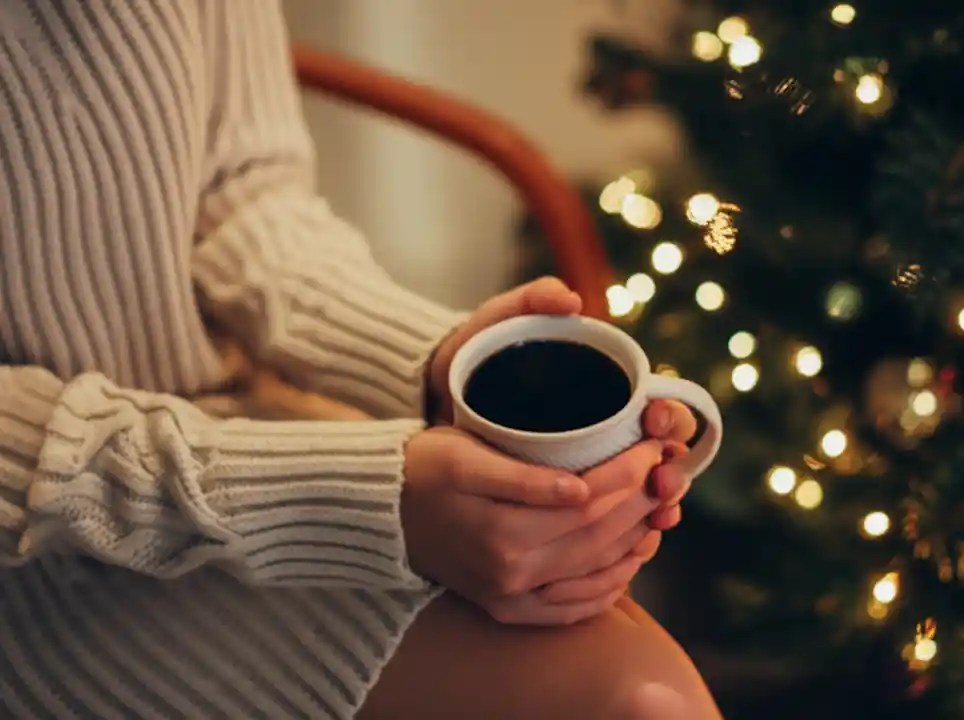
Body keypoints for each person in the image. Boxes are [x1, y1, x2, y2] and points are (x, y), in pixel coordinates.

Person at [0, 1, 723, 718]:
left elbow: (242, 194)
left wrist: (434, 363)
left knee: (649, 702)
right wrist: (365, 504)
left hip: (227, 434)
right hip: (36, 559)